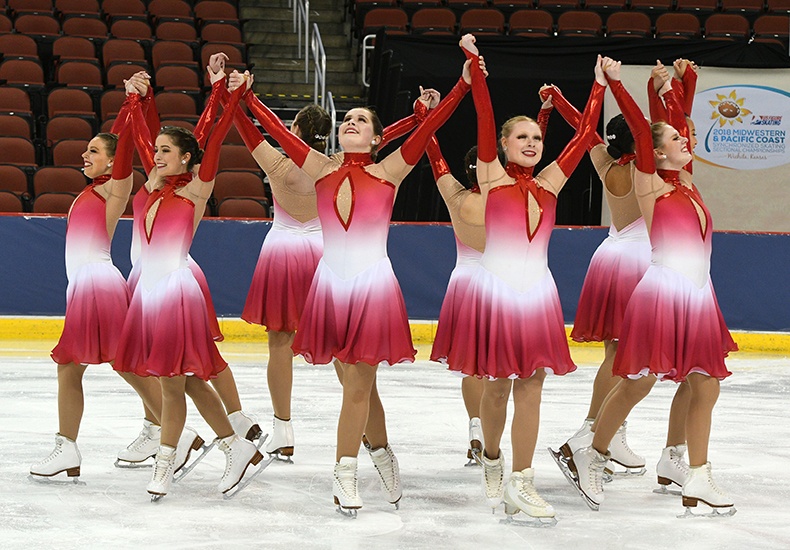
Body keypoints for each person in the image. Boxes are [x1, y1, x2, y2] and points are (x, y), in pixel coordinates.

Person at [230, 44, 477, 515]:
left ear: (378, 137)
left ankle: (346, 470)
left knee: (360, 384)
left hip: (370, 288)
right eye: (347, 119)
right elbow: (275, 135)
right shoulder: (319, 167)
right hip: (327, 288)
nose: (350, 123)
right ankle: (382, 451)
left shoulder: (390, 170)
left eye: (361, 121)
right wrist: (242, 100)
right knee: (357, 386)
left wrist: (464, 85)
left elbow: (430, 127)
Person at [232, 70, 429, 463]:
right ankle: (370, 436)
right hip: (328, 255)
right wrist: (417, 118)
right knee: (347, 355)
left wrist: (237, 100)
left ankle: (283, 428)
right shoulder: (337, 164)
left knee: (280, 342)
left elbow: (255, 133)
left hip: (284, 255)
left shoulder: (281, 163)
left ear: (294, 128)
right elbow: (381, 141)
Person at [568, 59, 737, 517]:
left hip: (699, 297)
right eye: (678, 141)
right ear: (655, 154)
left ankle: (696, 475)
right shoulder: (650, 186)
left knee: (705, 385)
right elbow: (648, 134)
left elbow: (672, 127)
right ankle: (594, 452)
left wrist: (680, 85)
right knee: (636, 383)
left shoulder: (685, 180)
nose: (687, 140)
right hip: (661, 294)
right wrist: (622, 85)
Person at [448, 36, 606, 524]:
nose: (532, 144)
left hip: (538, 293)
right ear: (503, 147)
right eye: (522, 138)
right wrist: (474, 65)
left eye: (535, 138)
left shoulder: (550, 182)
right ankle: (492, 457)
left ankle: (523, 479)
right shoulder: (493, 179)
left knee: (532, 384)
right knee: (496, 387)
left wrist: (597, 88)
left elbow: (582, 139)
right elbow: (484, 118)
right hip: (497, 291)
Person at [113, 68, 262, 500]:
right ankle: (235, 445)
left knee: (173, 380)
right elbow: (142, 136)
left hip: (176, 292)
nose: (157, 155)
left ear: (185, 159)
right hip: (147, 293)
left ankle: (164, 463)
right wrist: (138, 100)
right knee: (189, 380)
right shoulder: (151, 184)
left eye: (166, 151)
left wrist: (230, 96)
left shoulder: (195, 191)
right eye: (156, 150)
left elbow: (212, 139)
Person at [29, 80, 162, 481]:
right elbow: (114, 144)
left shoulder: (114, 188)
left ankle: (71, 447)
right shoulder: (91, 191)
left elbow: (122, 146)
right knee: (125, 364)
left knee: (74, 365)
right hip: (87, 285)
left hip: (96, 283)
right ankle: (168, 430)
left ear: (111, 162)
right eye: (86, 150)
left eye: (93, 152)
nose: (83, 156)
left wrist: (133, 103)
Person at [428, 96, 552, 466]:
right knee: (506, 372)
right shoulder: (508, 194)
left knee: (473, 365)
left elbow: (436, 161)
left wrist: (426, 121)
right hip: (500, 283)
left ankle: (477, 428)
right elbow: (531, 157)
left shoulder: (455, 195)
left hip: (465, 283)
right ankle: (491, 443)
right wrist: (543, 112)